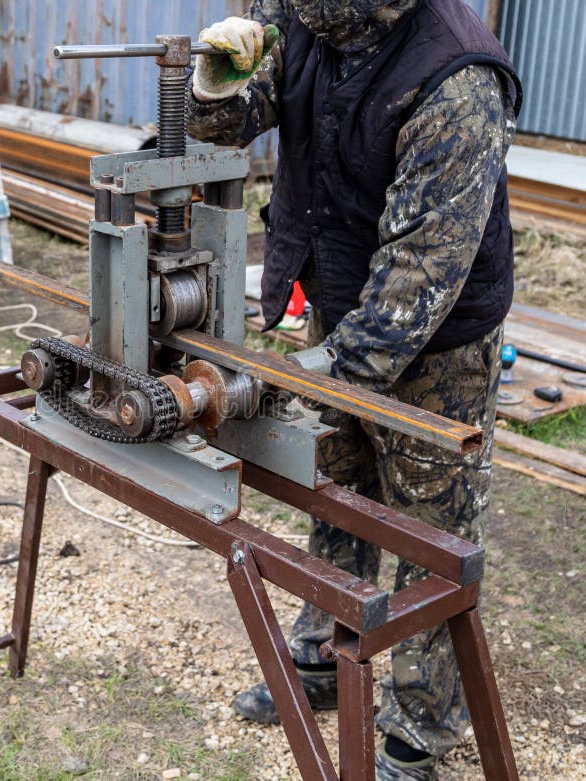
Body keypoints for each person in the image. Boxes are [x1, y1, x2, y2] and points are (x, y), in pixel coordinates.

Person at [185, 1, 522, 778]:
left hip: (440, 336)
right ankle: (321, 655)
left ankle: (418, 724)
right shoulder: (306, 15)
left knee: (431, 524)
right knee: (339, 483)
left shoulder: (457, 76)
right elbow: (226, 131)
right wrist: (214, 91)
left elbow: (418, 279)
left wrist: (301, 381)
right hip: (339, 293)